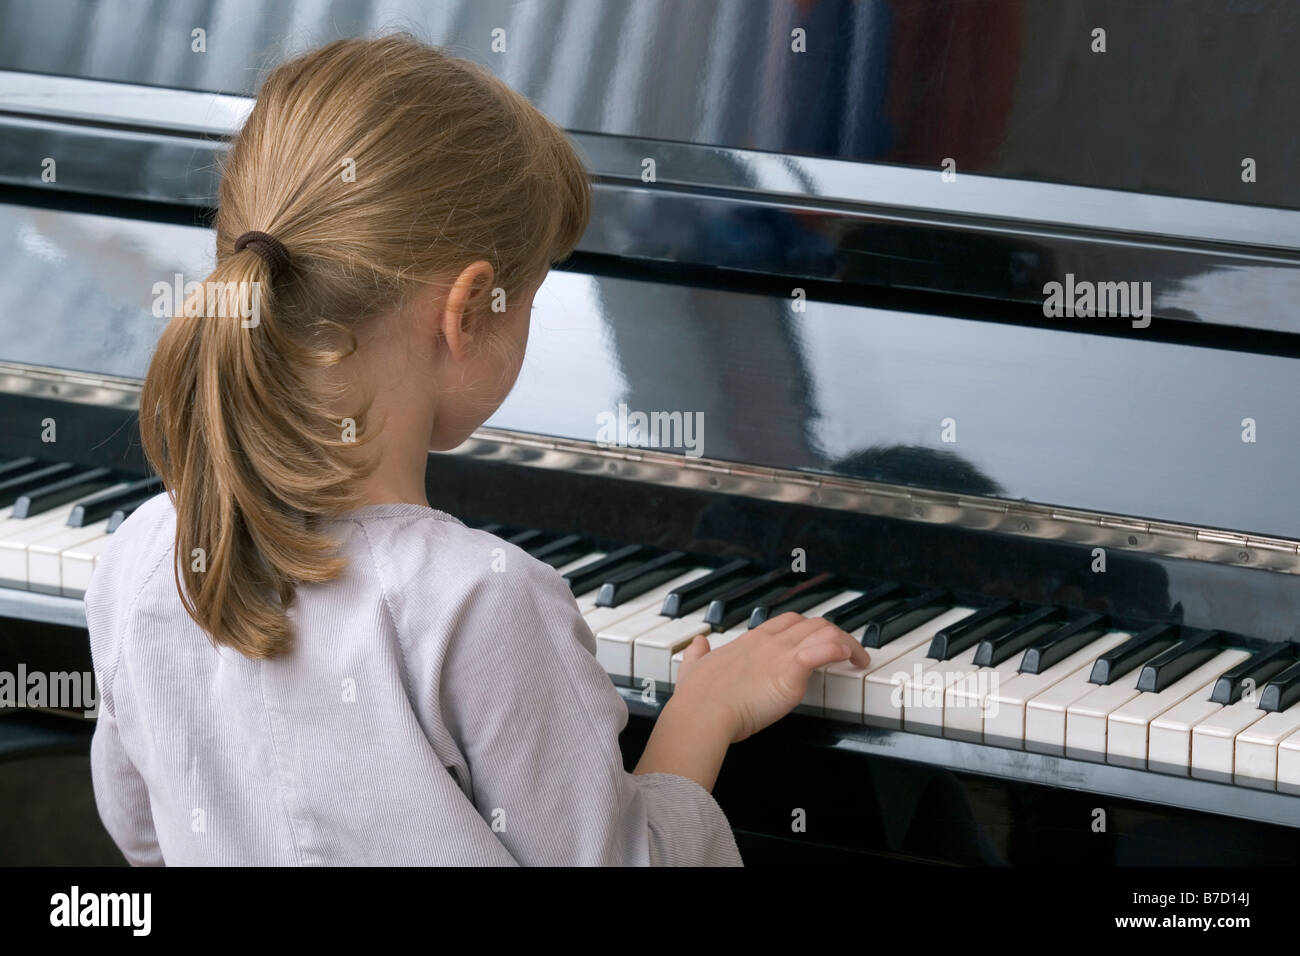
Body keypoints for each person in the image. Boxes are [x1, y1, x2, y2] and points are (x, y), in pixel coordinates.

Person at [86, 34, 868, 866]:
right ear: (466, 311)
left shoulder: (140, 555)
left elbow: (143, 834)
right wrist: (700, 718)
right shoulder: (482, 605)